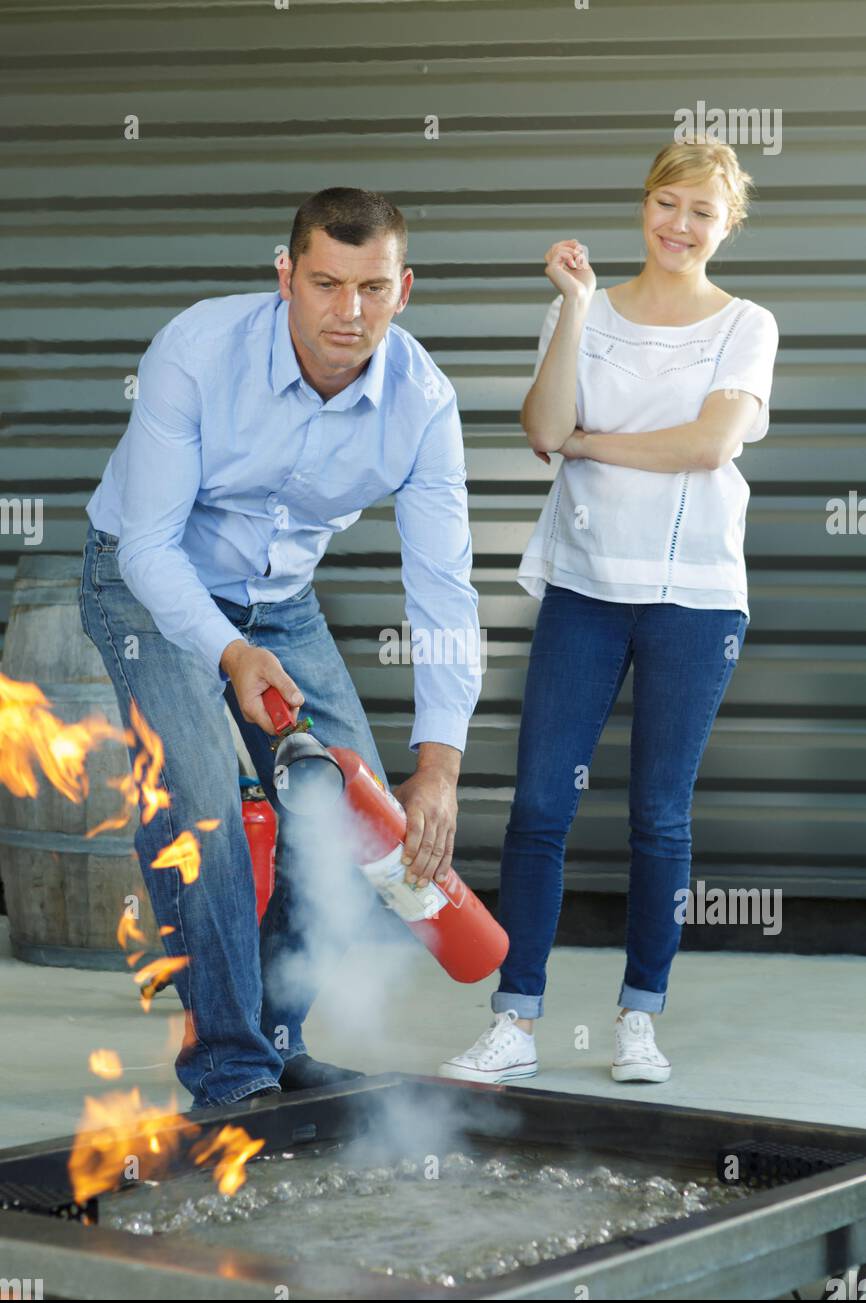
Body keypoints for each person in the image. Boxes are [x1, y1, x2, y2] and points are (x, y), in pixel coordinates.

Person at [80, 187, 481, 1109]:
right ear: (285, 278)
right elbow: (146, 545)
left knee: (354, 821)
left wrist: (442, 767)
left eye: (373, 288)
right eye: (326, 284)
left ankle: (275, 1035)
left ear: (405, 288)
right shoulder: (197, 349)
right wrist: (228, 653)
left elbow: (444, 592)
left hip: (280, 599)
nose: (350, 312)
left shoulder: (422, 403)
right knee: (204, 803)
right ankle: (229, 1068)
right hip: (145, 579)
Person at [439, 138, 779, 1086]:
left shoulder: (747, 323)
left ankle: (640, 1019)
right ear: (645, 206)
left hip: (694, 599)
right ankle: (515, 1018)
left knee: (659, 819)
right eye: (668, 204)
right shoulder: (581, 309)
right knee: (542, 805)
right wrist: (578, 308)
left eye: (702, 212)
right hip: (586, 588)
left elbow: (710, 447)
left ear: (728, 225)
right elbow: (543, 430)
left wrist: (594, 441)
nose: (680, 226)